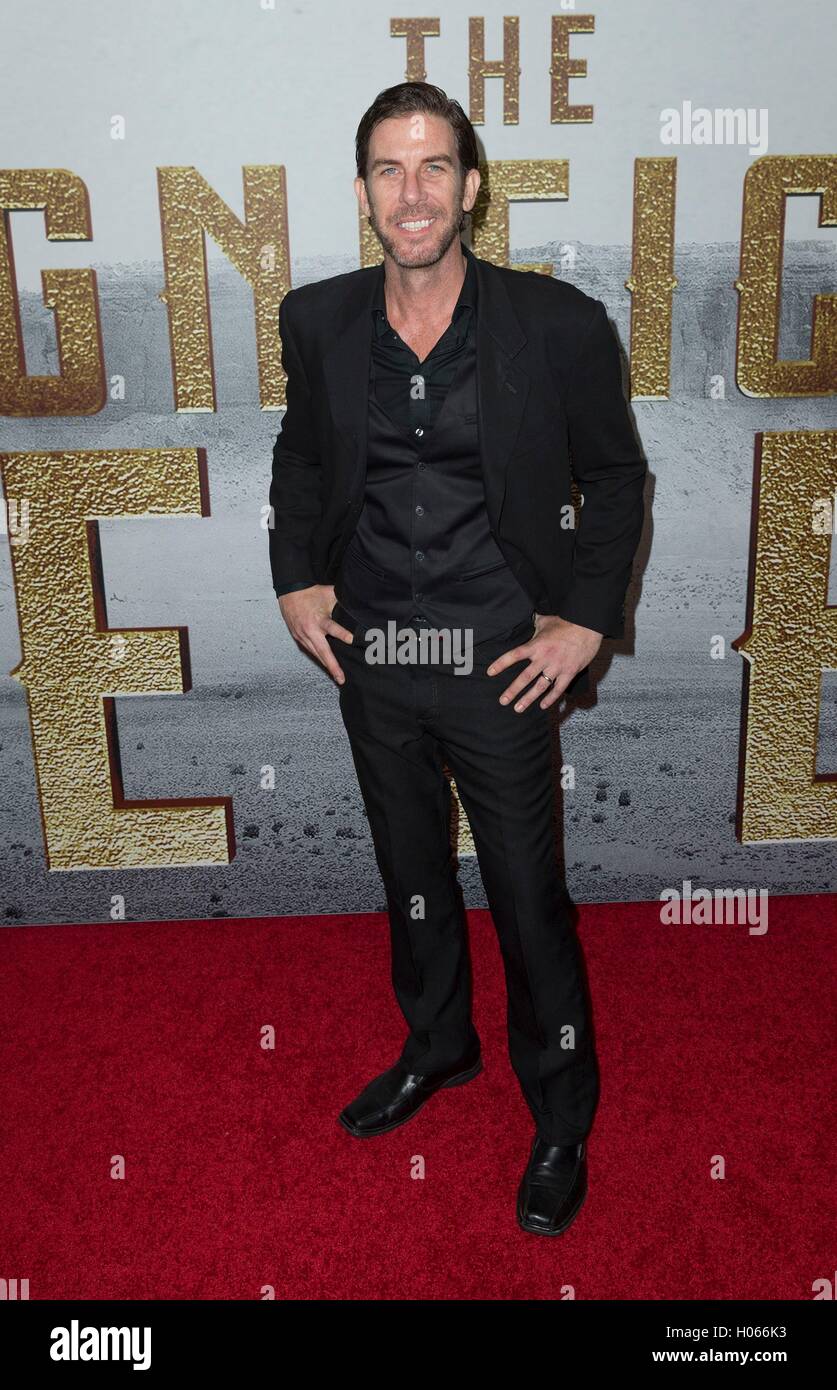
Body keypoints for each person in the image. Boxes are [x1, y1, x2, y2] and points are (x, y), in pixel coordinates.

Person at [269, 81, 646, 1236]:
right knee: (412, 872)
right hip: (375, 654)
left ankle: (562, 1111)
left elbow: (619, 480)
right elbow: (301, 463)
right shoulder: (319, 320)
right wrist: (293, 576)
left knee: (529, 896)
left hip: (500, 660)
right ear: (364, 193)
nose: (413, 192)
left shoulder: (558, 325)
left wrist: (584, 620)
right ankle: (439, 1047)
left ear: (471, 186)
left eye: (435, 166)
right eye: (390, 169)